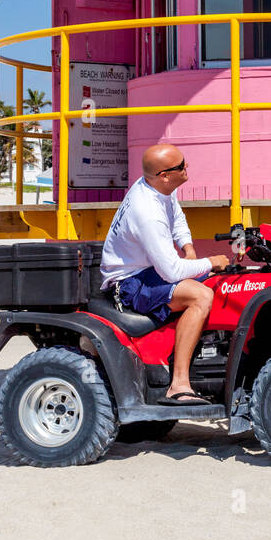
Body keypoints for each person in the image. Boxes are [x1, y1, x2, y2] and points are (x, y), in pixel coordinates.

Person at [100, 143, 230, 405]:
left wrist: (189, 249)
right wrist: (211, 261)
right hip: (129, 281)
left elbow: (177, 216)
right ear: (164, 175)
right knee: (200, 296)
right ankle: (179, 384)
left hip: (147, 270)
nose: (187, 167)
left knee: (220, 281)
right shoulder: (146, 213)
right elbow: (171, 271)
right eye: (181, 165)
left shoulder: (159, 186)